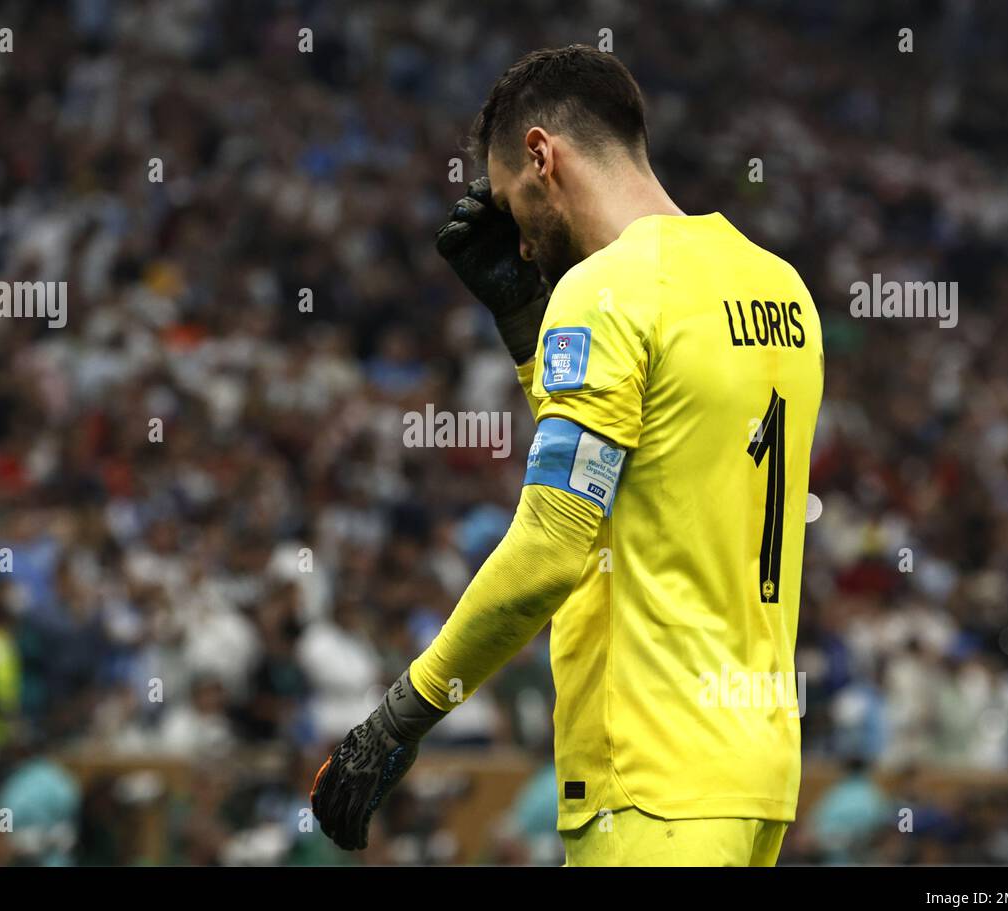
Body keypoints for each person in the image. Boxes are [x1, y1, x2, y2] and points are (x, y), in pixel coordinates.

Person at [312, 44, 824, 866]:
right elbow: (634, 468)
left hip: (648, 779)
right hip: (751, 776)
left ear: (542, 155)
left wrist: (397, 721)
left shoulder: (604, 291)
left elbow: (554, 540)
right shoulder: (780, 288)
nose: (516, 234)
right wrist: (524, 327)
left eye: (513, 199)